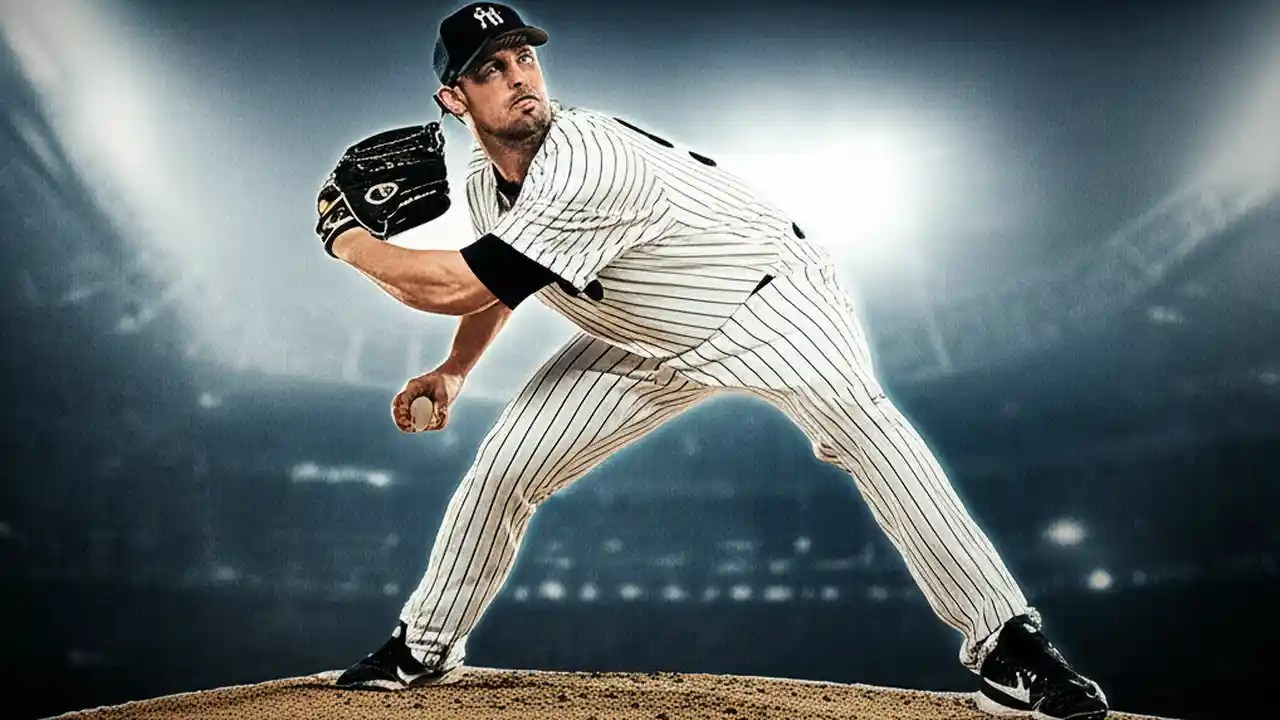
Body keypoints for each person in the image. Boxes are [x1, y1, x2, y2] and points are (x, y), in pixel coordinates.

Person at [318, 4, 1109, 718]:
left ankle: (1010, 646)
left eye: (524, 56)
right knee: (505, 468)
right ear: (453, 100)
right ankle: (423, 645)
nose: (519, 76)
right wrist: (457, 370)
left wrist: (348, 240)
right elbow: (493, 287)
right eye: (490, 68)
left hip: (767, 299)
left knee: (866, 434)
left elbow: (451, 285)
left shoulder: (585, 160)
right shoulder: (486, 188)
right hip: (645, 334)